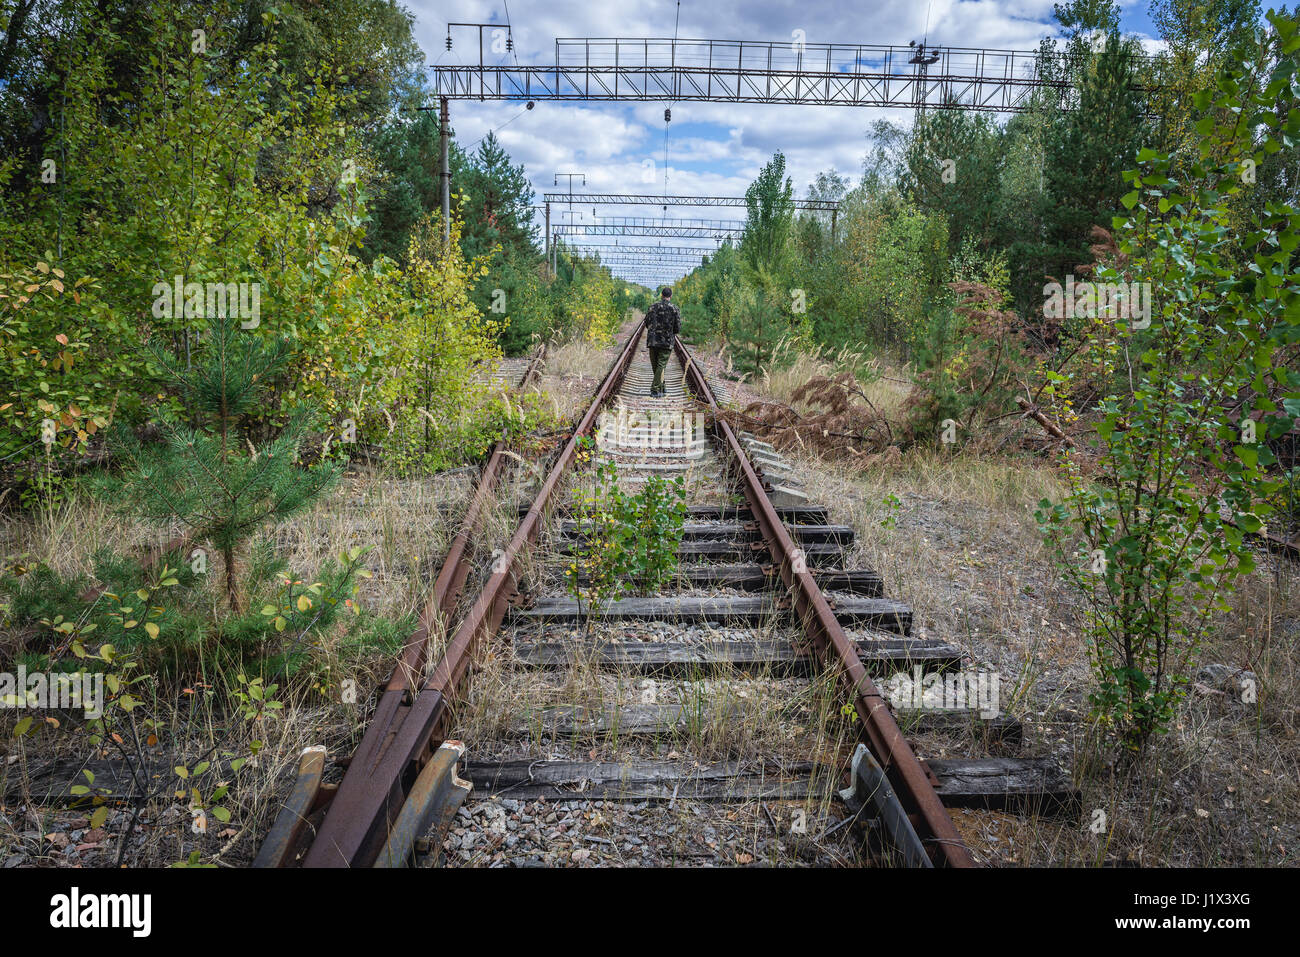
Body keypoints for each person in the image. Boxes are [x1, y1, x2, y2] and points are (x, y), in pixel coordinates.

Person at [643, 286, 680, 398]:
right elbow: (677, 328)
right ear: (670, 296)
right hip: (666, 342)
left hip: (653, 341)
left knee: (657, 365)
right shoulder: (674, 309)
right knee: (660, 365)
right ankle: (660, 387)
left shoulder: (652, 307)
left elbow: (646, 323)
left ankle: (656, 389)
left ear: (661, 295)